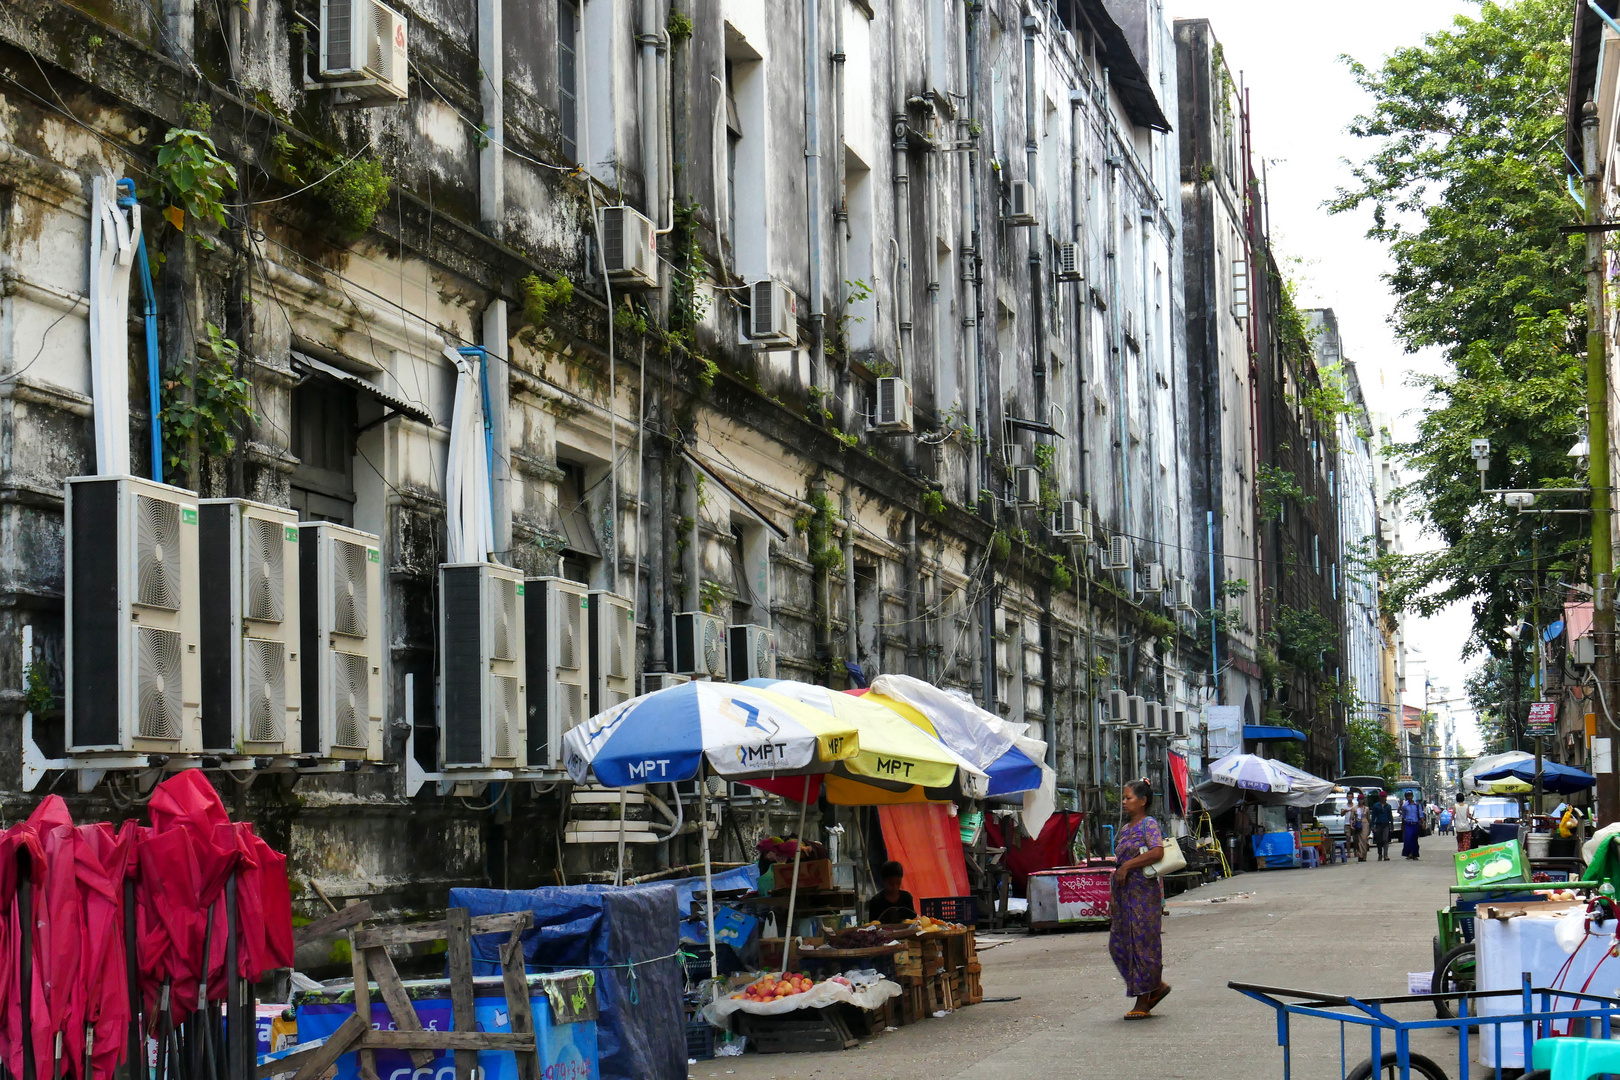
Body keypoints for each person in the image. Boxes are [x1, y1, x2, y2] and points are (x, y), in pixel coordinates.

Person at [1111, 779, 1171, 1020]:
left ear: (1143, 801)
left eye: (1129, 798)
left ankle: (1143, 1001)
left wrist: (1128, 866)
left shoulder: (1149, 824)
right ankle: (1156, 986)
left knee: (1142, 945)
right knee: (1119, 945)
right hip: (1123, 895)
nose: (1124, 802)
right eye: (1124, 798)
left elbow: (1157, 851)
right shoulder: (1126, 828)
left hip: (1143, 894)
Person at [1369, 792, 1394, 861]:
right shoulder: (1376, 806)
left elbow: (1390, 816)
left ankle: (1386, 855)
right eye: (1382, 797)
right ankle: (1380, 854)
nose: (1383, 798)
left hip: (1386, 824)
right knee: (1379, 840)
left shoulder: (1388, 806)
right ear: (1380, 797)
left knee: (1385, 840)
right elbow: (1373, 816)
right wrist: (1372, 826)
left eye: (1384, 797)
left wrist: (1392, 826)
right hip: (1378, 824)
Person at [1347, 794, 1370, 862]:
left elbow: (1368, 818)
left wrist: (1370, 827)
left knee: (1364, 839)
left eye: (1362, 799)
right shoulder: (1354, 808)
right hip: (1357, 824)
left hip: (1365, 824)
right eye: (1359, 799)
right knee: (1358, 840)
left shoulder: (1366, 808)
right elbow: (1351, 818)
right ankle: (1360, 854)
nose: (1361, 801)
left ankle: (1363, 855)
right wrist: (1351, 825)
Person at [1401, 793, 1422, 860]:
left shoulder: (1417, 805)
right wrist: (1403, 825)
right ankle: (1409, 853)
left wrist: (1423, 822)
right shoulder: (1405, 806)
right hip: (1408, 823)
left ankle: (1414, 854)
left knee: (1414, 839)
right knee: (1408, 839)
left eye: (1410, 795)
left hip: (1415, 823)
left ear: (1412, 796)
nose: (1409, 797)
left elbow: (1421, 814)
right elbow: (1403, 816)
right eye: (1408, 796)